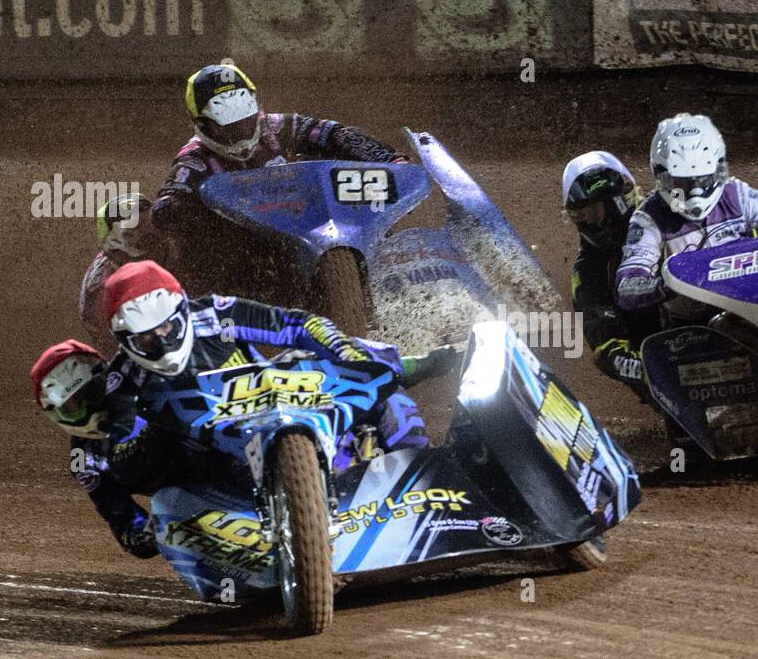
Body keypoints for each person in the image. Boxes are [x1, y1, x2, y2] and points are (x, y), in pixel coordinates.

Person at [98, 261, 448, 461]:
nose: (160, 342)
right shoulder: (122, 383)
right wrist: (156, 437)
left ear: (182, 311)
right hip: (217, 458)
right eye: (145, 338)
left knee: (365, 355)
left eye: (167, 328)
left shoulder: (215, 315)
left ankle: (420, 464)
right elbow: (121, 457)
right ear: (124, 340)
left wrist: (347, 354)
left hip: (278, 396)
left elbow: (299, 324)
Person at [149, 62, 407, 295]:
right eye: (227, 127)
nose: (241, 132)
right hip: (252, 256)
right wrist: (198, 213)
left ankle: (392, 288)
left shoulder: (278, 127)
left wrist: (388, 159)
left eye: (246, 121)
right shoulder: (193, 160)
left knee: (360, 207)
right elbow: (166, 206)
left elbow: (333, 133)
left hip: (310, 222)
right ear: (203, 125)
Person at [616, 113, 758, 318]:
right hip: (695, 322)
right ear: (661, 176)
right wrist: (670, 284)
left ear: (719, 171)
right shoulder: (648, 219)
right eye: (683, 183)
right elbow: (627, 285)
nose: (695, 192)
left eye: (704, 180)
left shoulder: (736, 194)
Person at [30, 339, 177, 559]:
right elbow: (120, 516)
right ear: (57, 414)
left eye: (92, 393)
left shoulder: (139, 373)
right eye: (75, 408)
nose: (91, 409)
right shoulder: (84, 460)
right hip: (189, 497)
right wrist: (143, 534)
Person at [560, 151, 656, 392]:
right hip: (662, 362)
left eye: (597, 211)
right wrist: (650, 372)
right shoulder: (588, 272)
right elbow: (606, 347)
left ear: (620, 201)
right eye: (582, 215)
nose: (593, 222)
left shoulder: (668, 217)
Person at [79, 194, 167, 355]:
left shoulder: (159, 252)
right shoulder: (102, 291)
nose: (151, 237)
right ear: (117, 241)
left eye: (150, 225)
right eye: (137, 231)